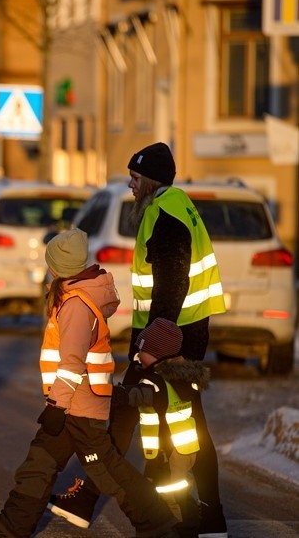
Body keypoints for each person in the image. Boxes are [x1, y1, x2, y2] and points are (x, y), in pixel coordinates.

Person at [49, 142, 228, 537]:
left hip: (169, 339)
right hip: (179, 333)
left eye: (134, 177)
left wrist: (152, 348)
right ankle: (201, 519)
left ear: (150, 180)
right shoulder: (175, 205)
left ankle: (93, 500)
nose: (130, 184)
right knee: (172, 421)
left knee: (131, 415)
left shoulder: (164, 215)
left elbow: (173, 281)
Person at [0, 228, 177, 538]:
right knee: (39, 464)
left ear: (59, 267)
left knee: (108, 473)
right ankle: (13, 526)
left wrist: (56, 406)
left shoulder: (77, 307)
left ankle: (158, 526)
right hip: (71, 404)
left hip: (79, 408)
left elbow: (72, 362)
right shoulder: (72, 296)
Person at [123, 317, 210, 537]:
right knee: (173, 489)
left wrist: (122, 395)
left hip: (171, 450)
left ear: (156, 354)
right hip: (180, 448)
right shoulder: (178, 375)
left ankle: (180, 529)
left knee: (171, 492)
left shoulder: (154, 381)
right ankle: (179, 524)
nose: (137, 355)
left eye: (141, 350)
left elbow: (147, 396)